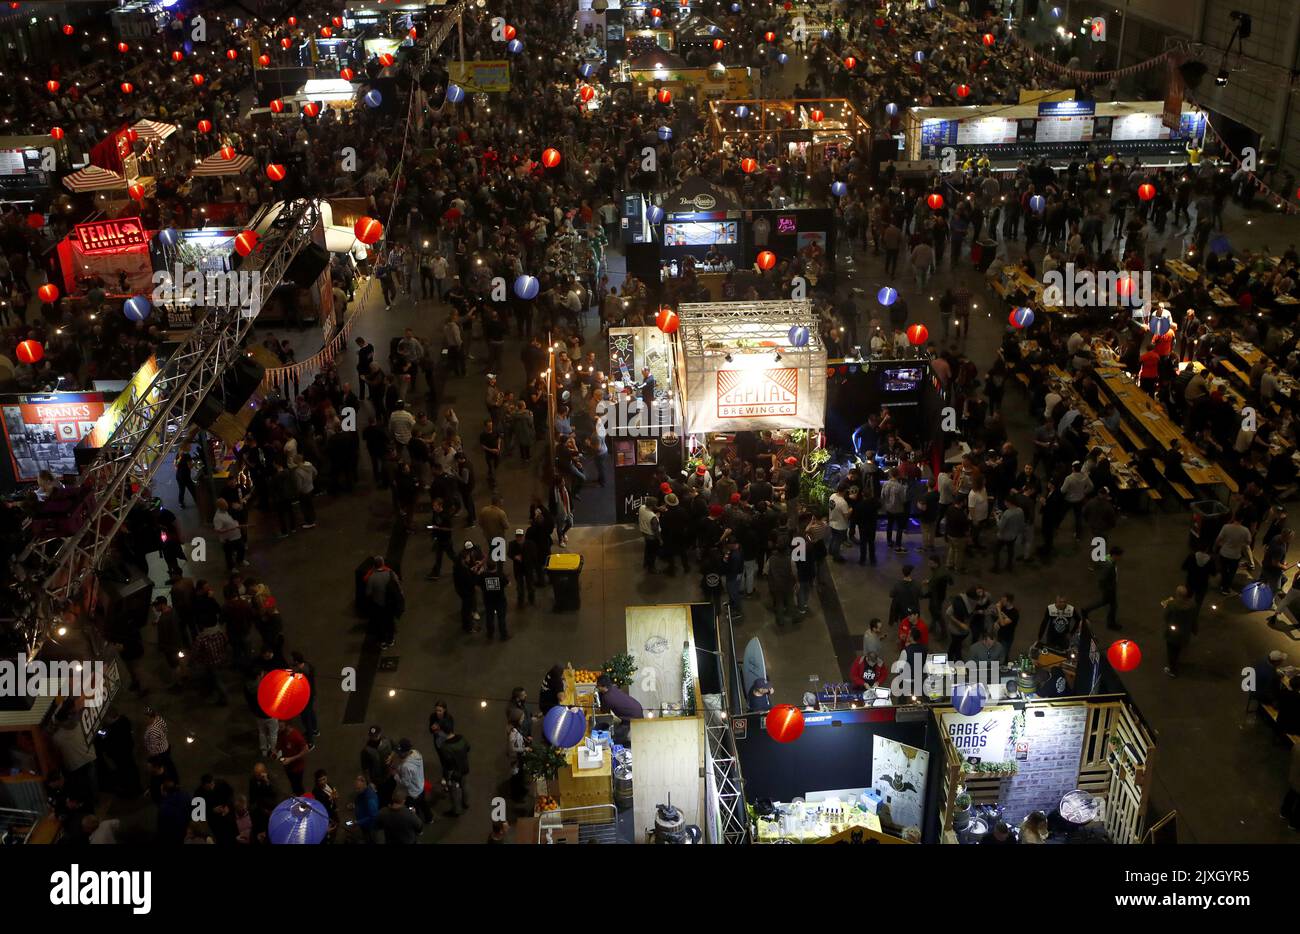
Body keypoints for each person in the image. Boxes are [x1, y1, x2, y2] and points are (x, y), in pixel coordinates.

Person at [1081, 545, 1123, 630]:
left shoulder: (1106, 558)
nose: (1120, 558)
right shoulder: (1109, 566)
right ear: (1114, 555)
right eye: (1119, 556)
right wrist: (1109, 589)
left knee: (1104, 603)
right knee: (1113, 606)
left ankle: (1085, 610)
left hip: (1108, 588)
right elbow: (1102, 579)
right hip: (1109, 589)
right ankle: (1111, 624)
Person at [1162, 585, 1198, 677]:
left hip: (1172, 634)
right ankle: (1175, 662)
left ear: (1177, 594)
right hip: (1184, 633)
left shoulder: (1172, 605)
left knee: (1171, 651)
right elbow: (1194, 619)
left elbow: (1166, 617)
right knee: (1178, 649)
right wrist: (1194, 629)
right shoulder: (1192, 605)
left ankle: (1172, 670)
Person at [392, 738, 431, 823]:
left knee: (412, 811)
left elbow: (405, 783)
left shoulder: (406, 766)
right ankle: (429, 819)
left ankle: (417, 825)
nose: (399, 754)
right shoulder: (415, 753)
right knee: (424, 804)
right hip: (421, 786)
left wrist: (395, 775)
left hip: (412, 794)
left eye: (401, 752)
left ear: (406, 751)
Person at [1215, 514, 1254, 595]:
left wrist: (1216, 547)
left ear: (1233, 518)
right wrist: (1241, 544)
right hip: (1236, 555)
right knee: (1232, 572)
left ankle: (1222, 585)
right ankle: (1227, 588)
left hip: (1224, 553)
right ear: (1242, 520)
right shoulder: (1245, 530)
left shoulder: (1226, 527)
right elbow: (1249, 542)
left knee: (1224, 570)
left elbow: (1218, 539)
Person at [438, 724, 472, 817]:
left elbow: (447, 764)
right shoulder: (461, 738)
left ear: (443, 732)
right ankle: (466, 803)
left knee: (455, 791)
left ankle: (457, 810)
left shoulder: (445, 747)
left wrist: (445, 777)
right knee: (465, 785)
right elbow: (468, 747)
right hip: (464, 767)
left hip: (454, 773)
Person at [478, 558, 511, 640]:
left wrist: (484, 589)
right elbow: (508, 584)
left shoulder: (483, 575)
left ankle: (490, 634)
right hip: (500, 600)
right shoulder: (500, 575)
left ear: (487, 567)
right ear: (495, 566)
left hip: (488, 600)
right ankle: (503, 635)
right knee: (501, 618)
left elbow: (477, 585)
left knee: (489, 617)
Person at [352, 774, 380, 843]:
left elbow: (373, 816)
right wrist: (354, 805)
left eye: (358, 788)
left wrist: (358, 822)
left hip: (370, 827)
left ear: (364, 784)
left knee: (371, 839)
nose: (356, 791)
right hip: (363, 823)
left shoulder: (370, 799)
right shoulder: (362, 792)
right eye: (355, 788)